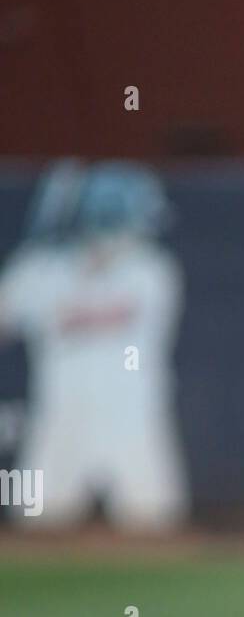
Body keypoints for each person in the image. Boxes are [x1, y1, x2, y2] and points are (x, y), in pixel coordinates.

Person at [0, 161, 188, 531]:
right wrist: (27, 269)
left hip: (133, 418)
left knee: (153, 521)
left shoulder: (153, 270)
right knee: (34, 521)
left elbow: (114, 311)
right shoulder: (37, 270)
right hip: (57, 416)